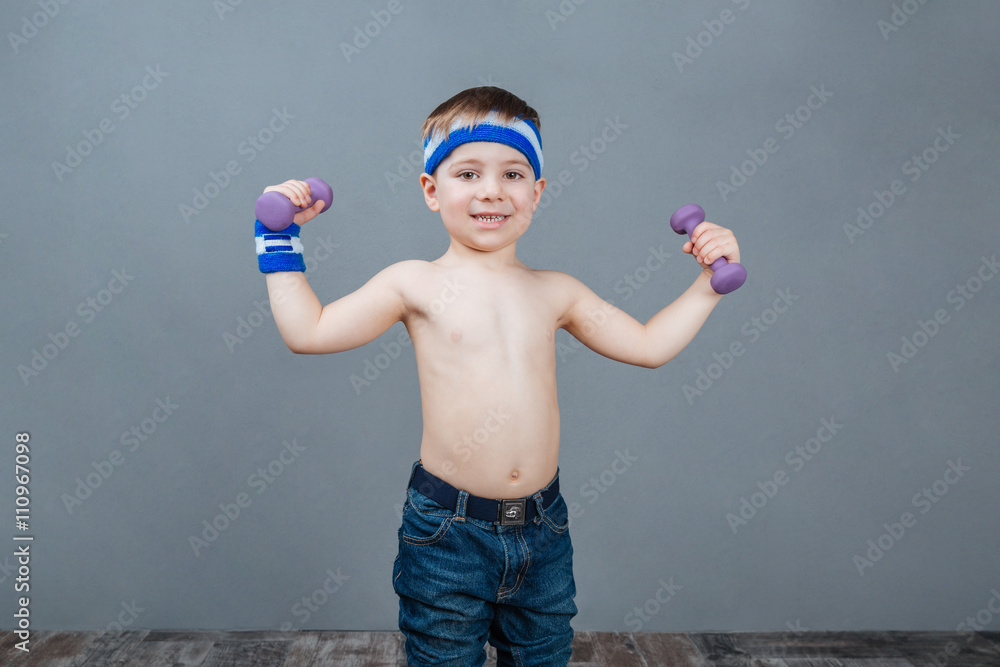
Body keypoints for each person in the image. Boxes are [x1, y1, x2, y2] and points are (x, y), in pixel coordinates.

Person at [252, 86, 741, 666]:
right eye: (468, 173)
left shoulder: (555, 291)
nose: (491, 190)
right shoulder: (413, 282)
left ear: (536, 193)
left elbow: (649, 345)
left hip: (543, 531)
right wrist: (277, 237)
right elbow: (307, 332)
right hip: (446, 535)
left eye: (513, 173)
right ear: (432, 190)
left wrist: (707, 285)